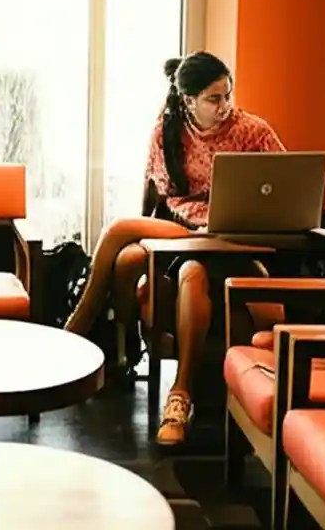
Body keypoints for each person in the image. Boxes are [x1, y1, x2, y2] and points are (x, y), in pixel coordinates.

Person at [64, 52, 286, 447]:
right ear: (189, 101)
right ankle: (168, 390)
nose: (225, 107)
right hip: (185, 229)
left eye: (227, 95)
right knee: (165, 260)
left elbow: (289, 185)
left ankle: (72, 336)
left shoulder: (252, 131)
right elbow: (158, 196)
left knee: (125, 234)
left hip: (233, 235)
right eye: (213, 99)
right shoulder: (166, 131)